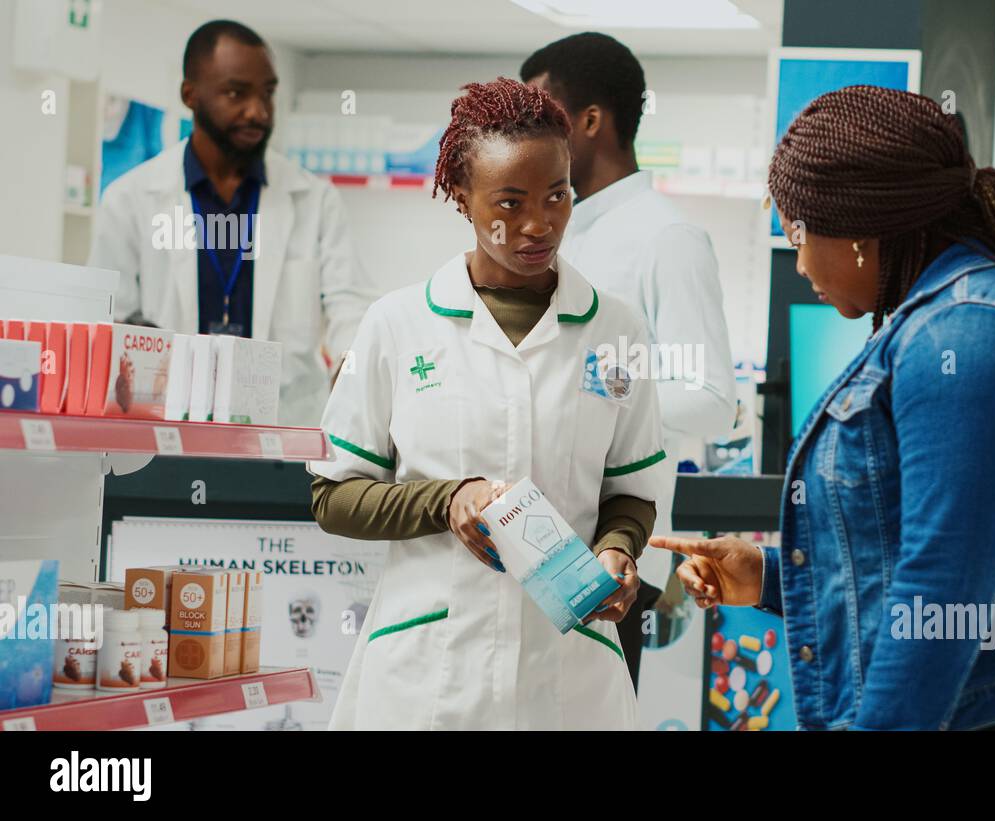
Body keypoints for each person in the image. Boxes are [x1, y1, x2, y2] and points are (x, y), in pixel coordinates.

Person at [652, 86, 995, 730]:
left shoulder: (964, 334)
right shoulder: (938, 325)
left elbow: (942, 592)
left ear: (857, 224)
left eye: (798, 233)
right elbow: (904, 561)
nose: (797, 263)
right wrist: (768, 578)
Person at [308, 78, 668, 730]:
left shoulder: (617, 332)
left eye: (558, 195)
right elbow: (332, 496)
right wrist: (447, 501)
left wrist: (618, 550)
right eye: (510, 202)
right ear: (461, 198)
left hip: (569, 675)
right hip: (427, 677)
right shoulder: (397, 325)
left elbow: (631, 490)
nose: (538, 223)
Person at [521, 32, 738, 678]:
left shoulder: (666, 237)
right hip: (530, 539)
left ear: (590, 121)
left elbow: (712, 400)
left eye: (540, 115)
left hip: (613, 559)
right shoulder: (554, 236)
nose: (525, 134)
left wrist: (584, 390)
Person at [88, 20, 371, 425]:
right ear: (190, 94)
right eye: (236, 93)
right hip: (165, 425)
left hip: (284, 427)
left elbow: (351, 306)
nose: (258, 111)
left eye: (268, 93)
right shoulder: (131, 199)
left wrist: (354, 366)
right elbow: (108, 319)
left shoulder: (314, 198)